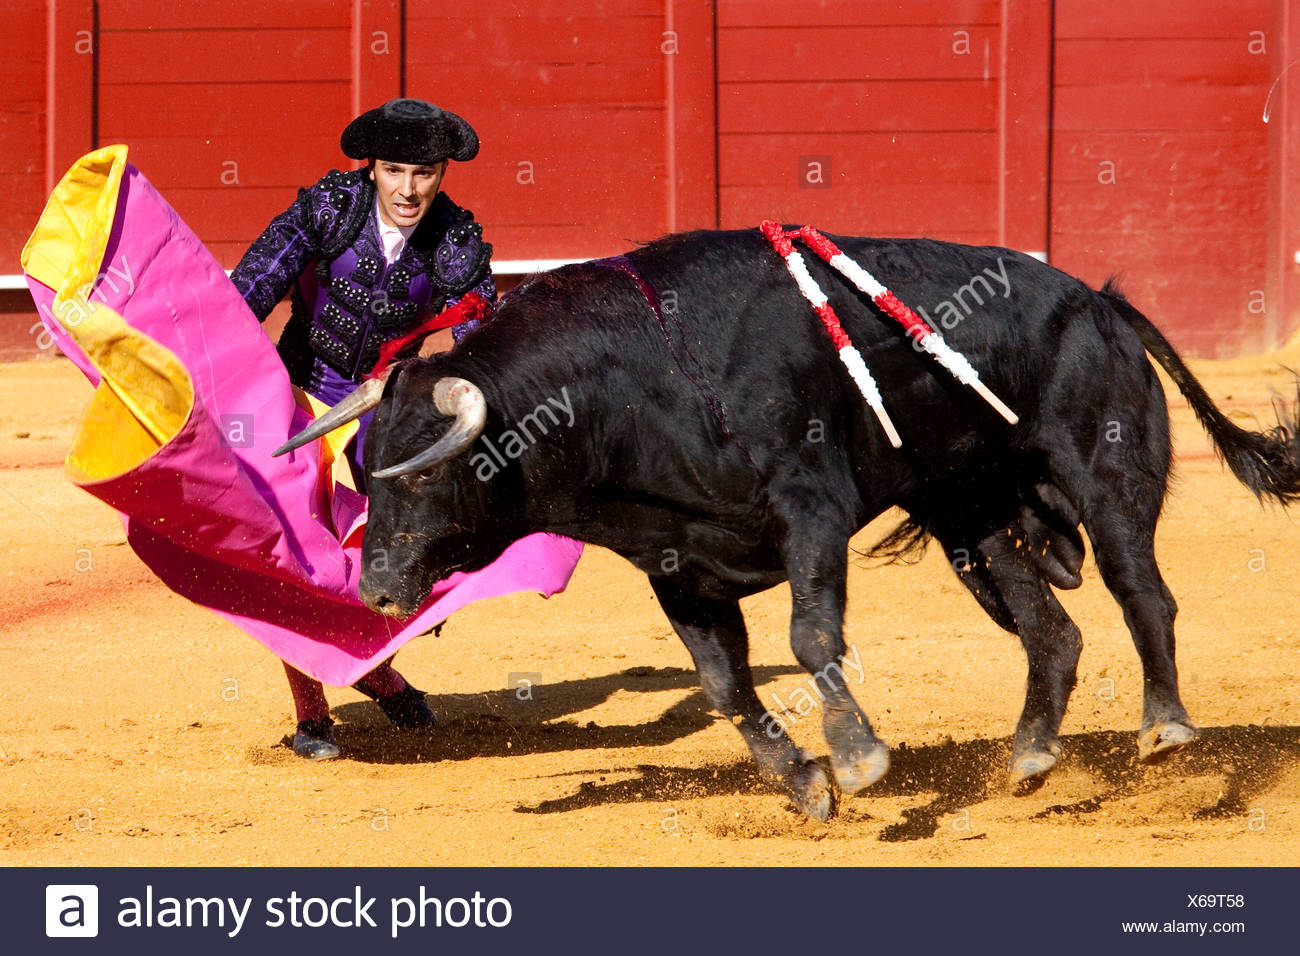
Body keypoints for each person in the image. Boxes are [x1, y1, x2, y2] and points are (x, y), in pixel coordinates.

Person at [231, 98, 497, 759]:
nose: (409, 190)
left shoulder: (455, 241)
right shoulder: (330, 209)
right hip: (299, 396)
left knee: (404, 548)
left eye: (425, 173)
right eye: (395, 171)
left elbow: (488, 343)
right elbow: (250, 291)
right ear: (371, 167)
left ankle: (374, 668)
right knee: (294, 554)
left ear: (442, 172)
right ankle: (313, 714)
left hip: (387, 408)